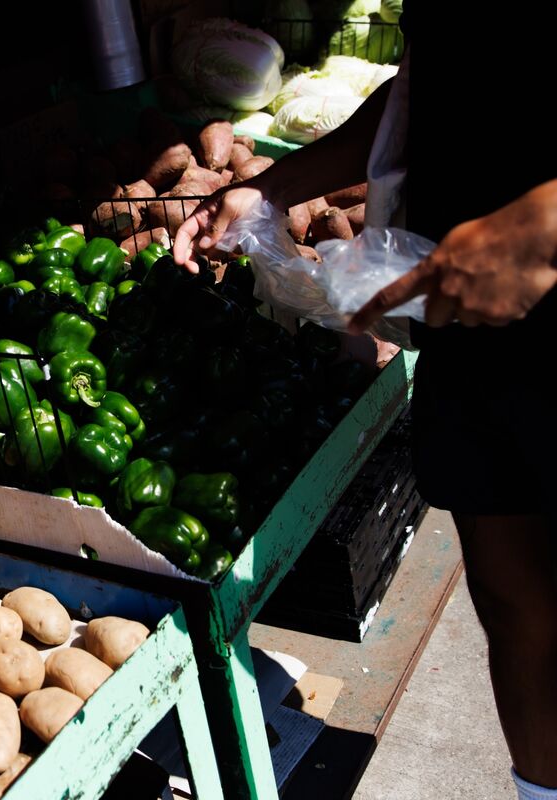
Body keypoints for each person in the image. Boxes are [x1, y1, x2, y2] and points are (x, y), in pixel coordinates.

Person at [172, 7, 557, 799]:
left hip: (523, 266)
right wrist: (271, 189)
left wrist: (541, 229)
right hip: (472, 308)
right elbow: (429, 95)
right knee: (514, 589)